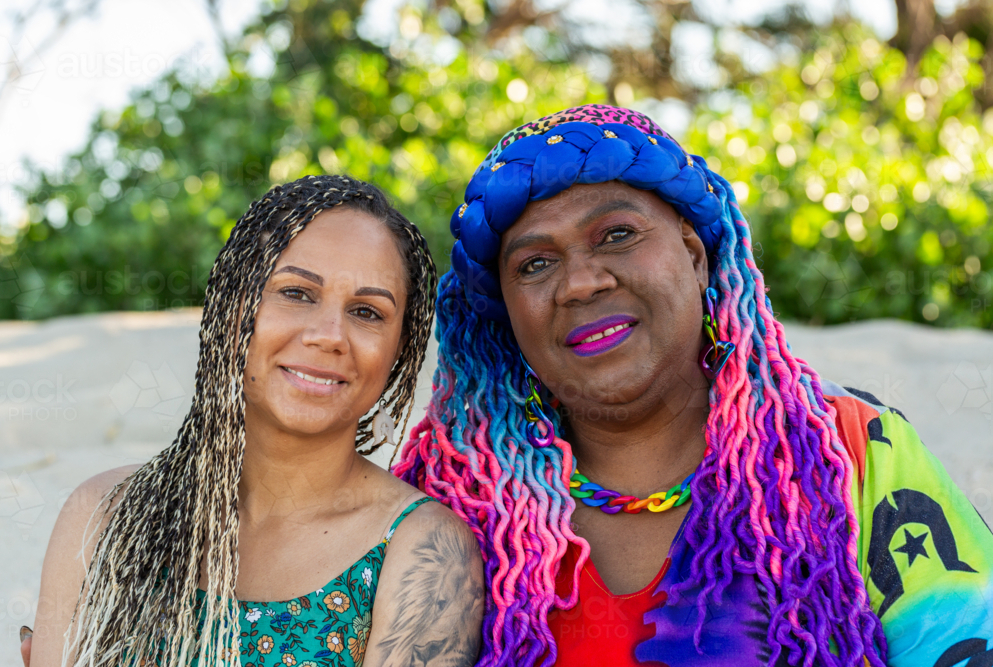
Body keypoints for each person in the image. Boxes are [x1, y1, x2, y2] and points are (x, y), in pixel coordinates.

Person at [393, 104, 993, 666]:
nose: (580, 283)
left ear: (694, 252)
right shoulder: (451, 498)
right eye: (535, 264)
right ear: (506, 312)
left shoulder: (846, 450)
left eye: (617, 234)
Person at [22, 175, 484, 667]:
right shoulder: (107, 516)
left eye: (367, 312)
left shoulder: (425, 554)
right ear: (233, 308)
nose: (329, 335)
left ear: (398, 350)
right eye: (298, 293)